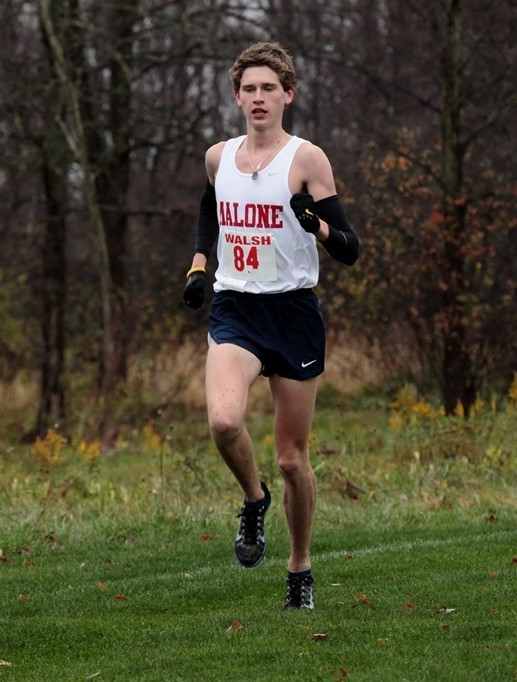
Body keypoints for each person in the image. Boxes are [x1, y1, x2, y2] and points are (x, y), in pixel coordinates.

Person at [181, 42, 359, 611]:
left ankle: (300, 567)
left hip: (293, 313)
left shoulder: (308, 160)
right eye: (249, 89)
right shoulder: (218, 156)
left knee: (291, 458)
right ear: (237, 97)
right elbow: (211, 208)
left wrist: (319, 228)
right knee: (224, 421)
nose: (259, 98)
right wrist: (199, 267)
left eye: (269, 88)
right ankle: (254, 502)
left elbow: (350, 249)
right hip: (236, 308)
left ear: (288, 94)